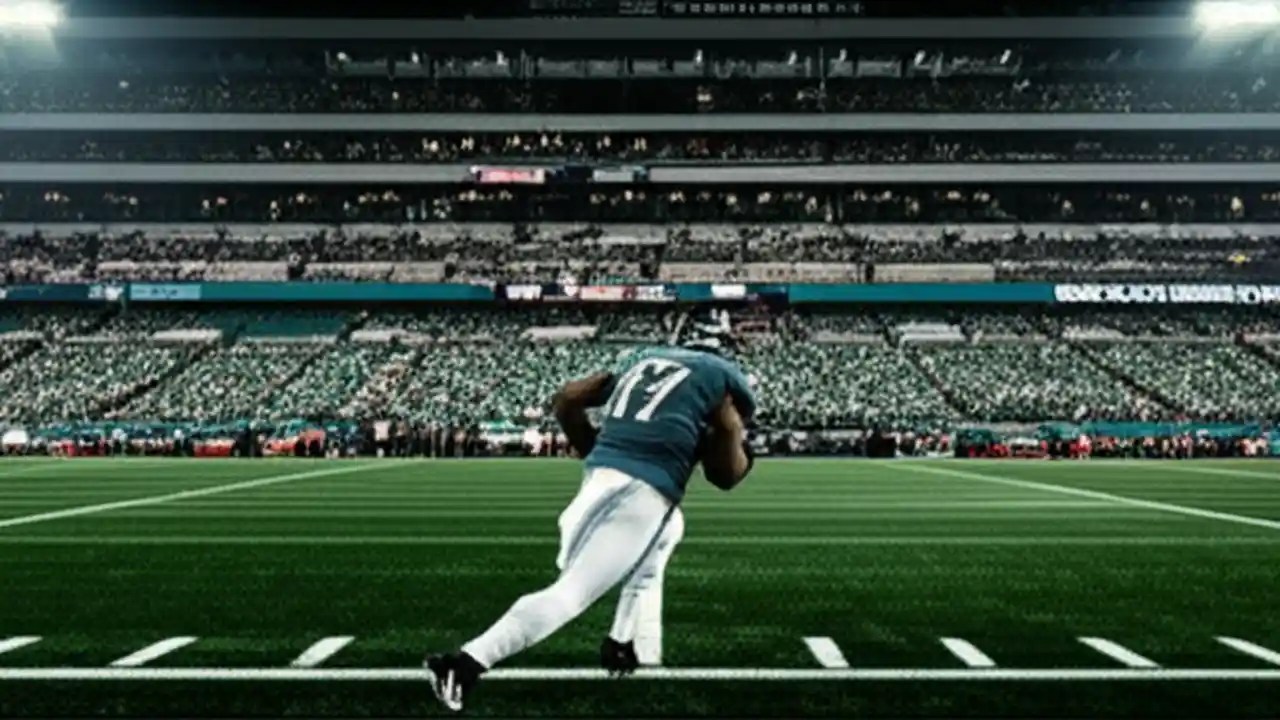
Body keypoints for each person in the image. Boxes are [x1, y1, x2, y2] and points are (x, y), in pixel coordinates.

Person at [424, 311, 758, 712]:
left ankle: (620, 640)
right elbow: (725, 476)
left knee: (666, 532)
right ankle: (465, 663)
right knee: (570, 593)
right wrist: (730, 431)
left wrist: (600, 449)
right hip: (644, 487)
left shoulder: (641, 360)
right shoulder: (723, 376)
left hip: (605, 475)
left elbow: (567, 399)